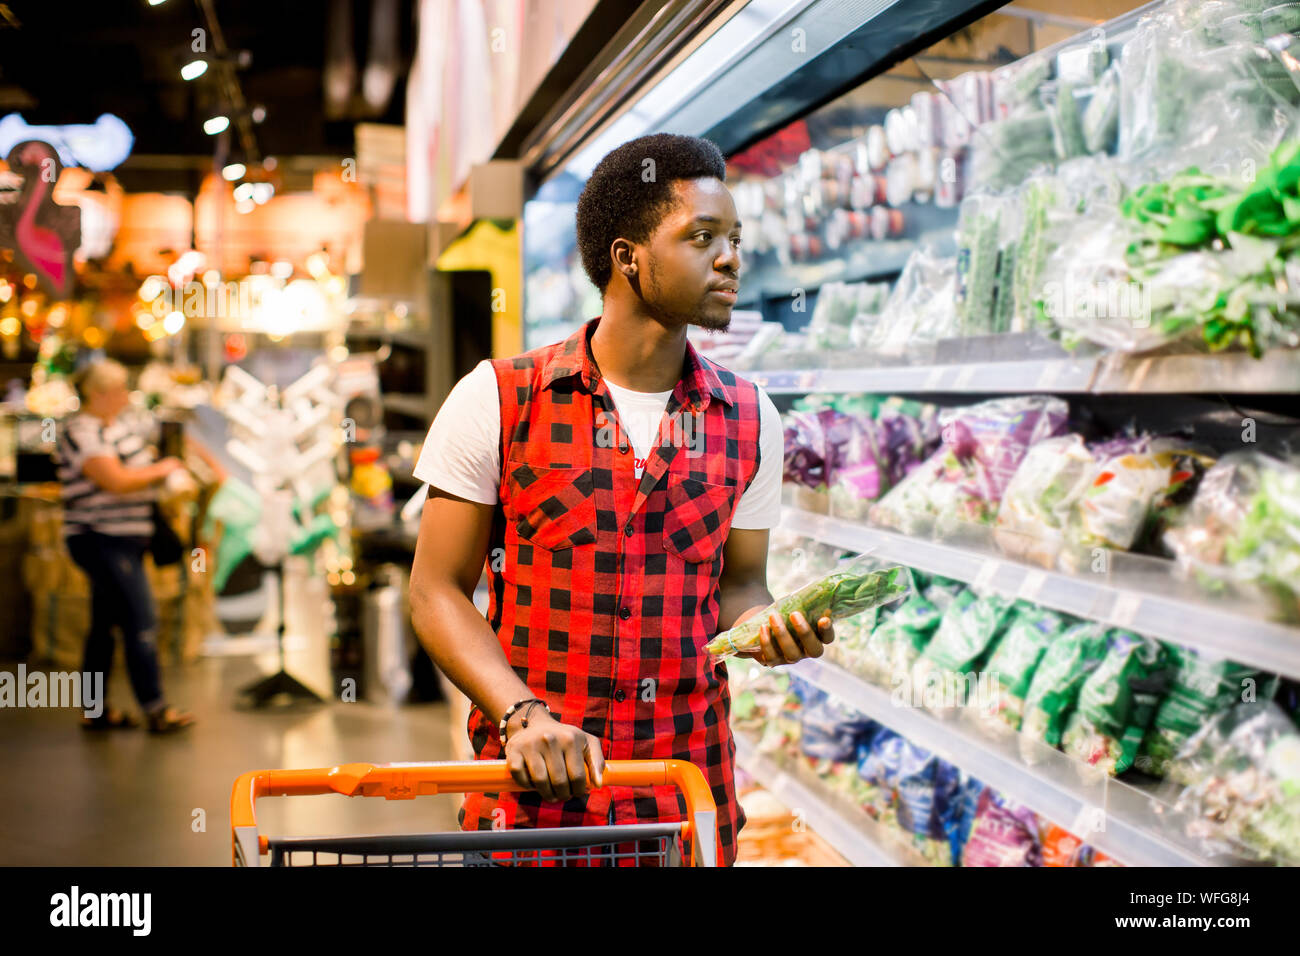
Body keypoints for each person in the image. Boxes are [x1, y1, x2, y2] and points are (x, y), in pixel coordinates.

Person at [410, 133, 833, 866]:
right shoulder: (500, 399)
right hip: (534, 806)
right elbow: (436, 591)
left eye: (733, 238)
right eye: (702, 237)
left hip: (685, 800)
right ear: (626, 257)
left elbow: (737, 584)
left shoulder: (751, 416)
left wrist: (767, 627)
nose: (730, 258)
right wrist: (520, 713)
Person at [57, 358, 195, 733]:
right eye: (118, 390)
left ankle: (95, 710)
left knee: (104, 625)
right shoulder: (82, 431)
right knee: (141, 619)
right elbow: (114, 480)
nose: (125, 397)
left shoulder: (116, 428)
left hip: (126, 539)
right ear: (97, 393)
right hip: (100, 538)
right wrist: (162, 470)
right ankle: (156, 708)